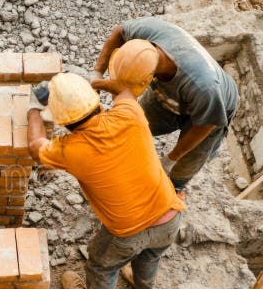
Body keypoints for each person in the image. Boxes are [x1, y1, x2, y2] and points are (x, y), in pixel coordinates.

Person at [27, 73, 186, 289]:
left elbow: (36, 147)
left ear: (63, 123)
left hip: (126, 233)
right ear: (96, 102)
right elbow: (123, 88)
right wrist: (94, 83)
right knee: (151, 254)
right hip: (170, 216)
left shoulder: (70, 150)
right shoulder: (129, 115)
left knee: (102, 264)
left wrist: (34, 109)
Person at [90, 18, 238, 197]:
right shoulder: (146, 32)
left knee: (186, 162)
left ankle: (173, 188)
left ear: (149, 77)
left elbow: (205, 125)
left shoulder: (204, 87)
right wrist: (97, 72)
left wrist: (170, 159)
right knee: (137, 125)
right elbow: (118, 32)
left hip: (212, 111)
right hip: (173, 92)